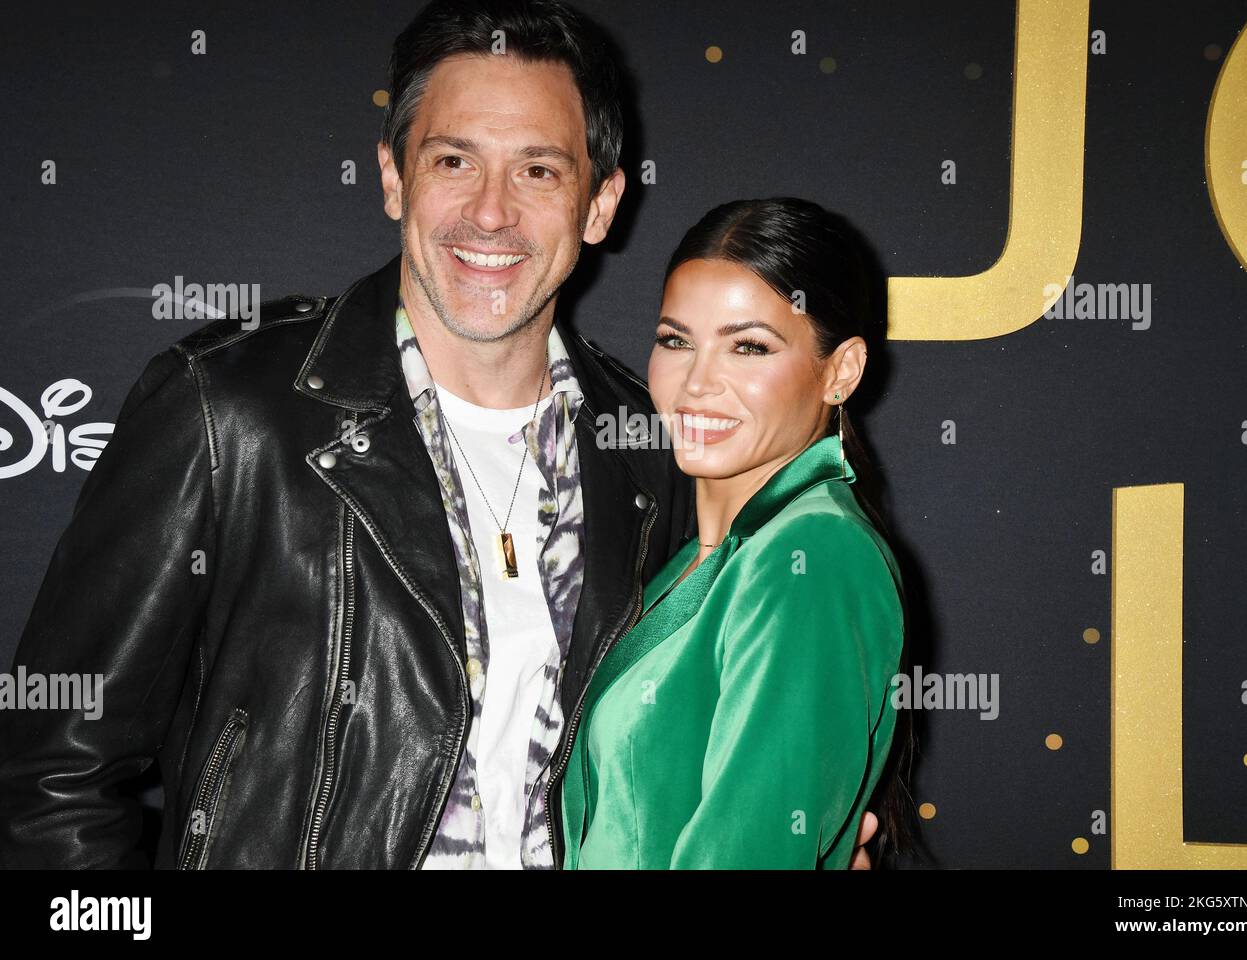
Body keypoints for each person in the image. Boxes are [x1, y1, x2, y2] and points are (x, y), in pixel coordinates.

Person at [0, 1, 880, 868]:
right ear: (393, 177)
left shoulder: (651, 448)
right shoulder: (229, 409)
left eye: (538, 171)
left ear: (601, 203)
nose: (490, 213)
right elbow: (51, 777)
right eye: (455, 160)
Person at [561, 197, 911, 868]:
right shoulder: (695, 561)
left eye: (748, 347)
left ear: (842, 370)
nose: (696, 384)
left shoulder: (811, 555)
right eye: (675, 341)